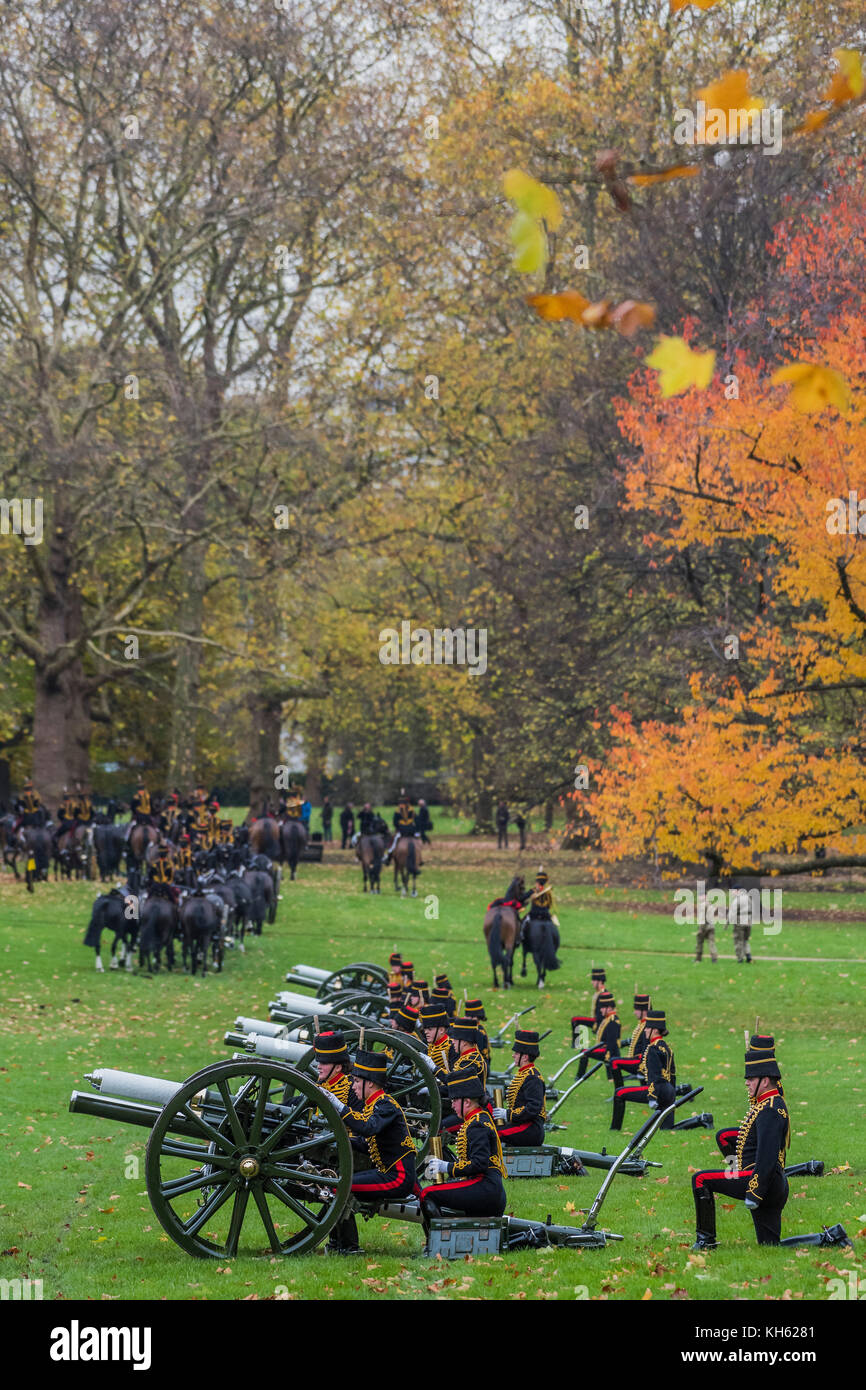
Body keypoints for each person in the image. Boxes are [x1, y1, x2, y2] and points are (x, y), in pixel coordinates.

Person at [697, 1035, 848, 1251]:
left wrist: (754, 1191)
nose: (747, 1083)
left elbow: (767, 1155)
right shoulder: (769, 1102)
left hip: (762, 1181)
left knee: (701, 1179)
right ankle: (829, 1237)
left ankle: (705, 1241)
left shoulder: (769, 1109)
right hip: (773, 1183)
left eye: (751, 1079)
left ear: (764, 1080)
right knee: (771, 1246)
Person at [325, 1048, 417, 1253]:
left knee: (341, 1187)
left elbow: (368, 1127)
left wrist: (340, 1108)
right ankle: (336, 1244)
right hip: (387, 1173)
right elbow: (367, 1145)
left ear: (371, 1083)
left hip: (397, 1177)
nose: (354, 1086)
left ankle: (348, 1247)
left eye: (357, 1082)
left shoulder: (385, 1105)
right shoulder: (373, 1105)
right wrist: (335, 1140)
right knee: (337, 1182)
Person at [419, 1074, 507, 1240]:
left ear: (466, 1102)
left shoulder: (476, 1124)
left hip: (485, 1189)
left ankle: (437, 1243)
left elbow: (479, 1164)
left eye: (454, 1101)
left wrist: (447, 1167)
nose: (452, 1105)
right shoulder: (479, 1118)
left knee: (427, 1194)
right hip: (487, 1188)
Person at [610, 1008, 674, 1131]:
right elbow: (672, 1074)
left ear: (654, 1030)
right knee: (667, 1129)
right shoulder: (666, 1047)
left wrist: (651, 1096)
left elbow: (654, 1076)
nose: (645, 1030)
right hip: (668, 1091)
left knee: (619, 1093)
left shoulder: (652, 1049)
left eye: (648, 1028)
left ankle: (614, 1129)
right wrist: (672, 1095)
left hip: (656, 1090)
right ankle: (699, 1121)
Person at [492, 1029, 546, 1146]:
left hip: (530, 1129)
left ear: (525, 1057)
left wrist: (507, 1114)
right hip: (521, 1125)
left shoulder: (532, 1077)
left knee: (491, 1134)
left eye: (516, 1053)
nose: (513, 1055)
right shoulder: (524, 1074)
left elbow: (533, 1108)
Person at [610, 991, 652, 1092]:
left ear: (644, 1011)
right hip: (637, 1059)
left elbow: (647, 1048)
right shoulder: (642, 1023)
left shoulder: (648, 1026)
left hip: (640, 1061)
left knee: (614, 1062)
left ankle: (618, 1091)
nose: (634, 1012)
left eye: (637, 1010)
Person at [576, 989, 620, 1078]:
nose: (601, 1010)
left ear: (609, 1008)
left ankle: (579, 1076)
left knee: (584, 1052)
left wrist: (608, 1056)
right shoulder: (608, 1019)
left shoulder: (613, 1021)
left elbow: (612, 1042)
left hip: (608, 1051)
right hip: (605, 1049)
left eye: (603, 1007)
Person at [571, 967, 607, 1048]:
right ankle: (577, 1044)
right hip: (596, 1020)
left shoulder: (604, 994)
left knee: (575, 1020)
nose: (592, 983)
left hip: (599, 1022)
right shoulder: (598, 993)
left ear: (600, 981)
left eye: (594, 980)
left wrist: (597, 1025)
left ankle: (576, 1044)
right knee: (575, 1020)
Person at [384, 791, 419, 865]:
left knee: (394, 841)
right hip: (411, 830)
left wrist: (398, 827)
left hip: (402, 830)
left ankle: (389, 856)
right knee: (417, 841)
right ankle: (420, 858)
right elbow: (416, 820)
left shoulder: (398, 811)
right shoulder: (412, 810)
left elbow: (395, 822)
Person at [463, 998, 490, 1068]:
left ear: (475, 1017)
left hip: (480, 1066)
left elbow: (478, 1051)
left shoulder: (478, 1031)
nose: (465, 1018)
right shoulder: (475, 1028)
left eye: (467, 1016)